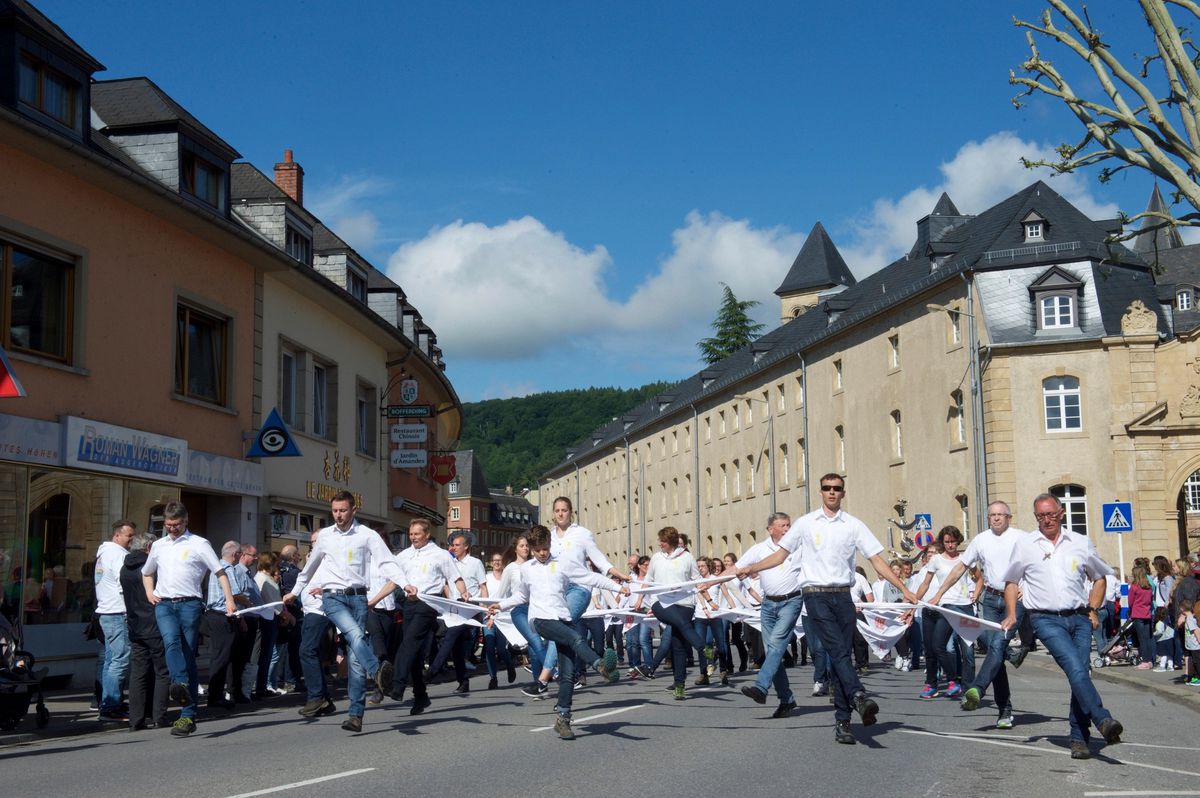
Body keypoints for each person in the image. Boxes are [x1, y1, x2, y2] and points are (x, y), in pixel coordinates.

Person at [736, 473, 916, 745]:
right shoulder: (805, 524)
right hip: (815, 595)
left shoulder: (853, 525)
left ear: (843, 492)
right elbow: (780, 555)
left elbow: (877, 560)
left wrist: (904, 590)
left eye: (837, 489)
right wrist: (751, 568)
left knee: (841, 655)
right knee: (837, 650)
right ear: (821, 492)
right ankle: (858, 694)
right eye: (827, 488)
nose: (832, 492)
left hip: (843, 596)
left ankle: (843, 722)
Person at [1000, 493, 1124, 760]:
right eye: (1041, 516)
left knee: (1081, 675)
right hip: (1044, 619)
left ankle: (1079, 738)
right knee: (1075, 668)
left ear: (1061, 514)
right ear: (1036, 517)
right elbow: (1011, 582)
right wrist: (1011, 614)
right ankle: (1102, 719)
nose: (1047, 520)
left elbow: (1099, 577)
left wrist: (1092, 608)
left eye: (1051, 514)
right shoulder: (1025, 545)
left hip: (1079, 617)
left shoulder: (1080, 542)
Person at [283, 491, 407, 733]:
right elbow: (309, 568)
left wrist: (404, 581)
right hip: (332, 598)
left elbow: (386, 562)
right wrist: (295, 591)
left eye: (342, 510)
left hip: (359, 598)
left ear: (353, 510)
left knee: (355, 657)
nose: (338, 515)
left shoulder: (367, 535)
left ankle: (355, 715)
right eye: (335, 511)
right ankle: (378, 671)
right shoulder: (326, 536)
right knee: (356, 636)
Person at [490, 525, 627, 740]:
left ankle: (563, 718)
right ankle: (599, 665)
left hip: (562, 617)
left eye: (545, 548)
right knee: (576, 638)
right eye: (537, 550)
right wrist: (501, 605)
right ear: (532, 550)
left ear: (550, 545)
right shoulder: (527, 569)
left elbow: (590, 578)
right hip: (541, 620)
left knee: (567, 673)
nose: (542, 553)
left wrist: (618, 587)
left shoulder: (563, 563)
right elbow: (521, 597)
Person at [141, 501, 238, 738]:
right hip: (164, 604)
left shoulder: (199, 544)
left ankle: (187, 715)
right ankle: (181, 684)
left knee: (187, 654)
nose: (171, 528)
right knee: (171, 642)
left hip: (190, 604)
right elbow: (146, 572)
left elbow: (220, 572)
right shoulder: (159, 545)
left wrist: (229, 600)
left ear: (185, 522)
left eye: (176, 524)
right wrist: (149, 593)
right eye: (167, 524)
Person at [929, 501, 1026, 727]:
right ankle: (1004, 711)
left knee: (997, 647)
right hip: (991, 599)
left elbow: (1037, 566)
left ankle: (977, 688)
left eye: (1001, 514)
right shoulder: (981, 540)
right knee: (997, 653)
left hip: (1015, 599)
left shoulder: (1021, 538)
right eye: (992, 515)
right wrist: (939, 593)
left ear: (1009, 517)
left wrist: (1027, 587)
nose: (996, 518)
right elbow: (960, 568)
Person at [385, 518, 468, 715]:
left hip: (429, 603)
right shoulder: (404, 555)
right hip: (409, 604)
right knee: (412, 650)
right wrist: (373, 601)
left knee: (409, 642)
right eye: (411, 533)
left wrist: (463, 593)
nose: (413, 537)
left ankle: (396, 685)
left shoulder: (440, 555)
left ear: (427, 534)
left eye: (417, 533)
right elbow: (393, 582)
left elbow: (455, 577)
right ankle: (421, 695)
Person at [736, 512, 803, 717]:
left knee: (775, 646)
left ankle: (761, 686)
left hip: (791, 601)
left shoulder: (799, 547)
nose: (786, 529)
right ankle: (787, 699)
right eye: (782, 525)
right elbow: (736, 569)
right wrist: (710, 582)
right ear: (770, 529)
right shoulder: (759, 549)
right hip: (768, 605)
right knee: (774, 651)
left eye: (788, 525)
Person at [641, 527, 711, 700]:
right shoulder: (657, 558)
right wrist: (638, 599)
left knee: (678, 644)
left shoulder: (687, 557)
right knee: (683, 625)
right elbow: (648, 580)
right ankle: (704, 649)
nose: (659, 544)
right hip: (661, 602)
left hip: (684, 603)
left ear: (670, 543)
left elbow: (696, 580)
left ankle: (679, 685)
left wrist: (705, 593)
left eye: (662, 542)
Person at [915, 526, 975, 698]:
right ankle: (951, 681)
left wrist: (975, 594)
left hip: (964, 607)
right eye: (947, 542)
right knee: (938, 645)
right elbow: (925, 584)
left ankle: (968, 688)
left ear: (958, 541)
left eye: (953, 542)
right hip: (945, 607)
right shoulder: (936, 560)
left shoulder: (965, 559)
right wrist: (913, 602)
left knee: (968, 652)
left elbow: (978, 578)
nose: (950, 545)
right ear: (943, 542)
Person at [428, 531, 487, 693]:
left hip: (469, 607)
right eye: (452, 545)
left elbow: (483, 587)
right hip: (453, 606)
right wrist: (448, 599)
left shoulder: (475, 563)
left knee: (451, 635)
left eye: (456, 545)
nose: (453, 548)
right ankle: (463, 681)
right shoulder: (450, 562)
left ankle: (433, 670)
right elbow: (445, 583)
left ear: (466, 546)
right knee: (457, 647)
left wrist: (485, 609)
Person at [120, 531, 169, 730]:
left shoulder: (125, 567)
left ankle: (136, 718)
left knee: (138, 673)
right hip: (155, 623)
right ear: (149, 547)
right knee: (162, 671)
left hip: (135, 625)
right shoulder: (150, 567)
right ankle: (159, 716)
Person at [95, 520, 135, 722]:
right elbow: (125, 583)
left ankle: (109, 702)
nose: (131, 539)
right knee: (118, 661)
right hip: (117, 612)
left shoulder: (104, 553)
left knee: (111, 661)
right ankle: (111, 706)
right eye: (129, 535)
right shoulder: (118, 554)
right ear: (117, 535)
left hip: (107, 612)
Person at [202, 541, 250, 709]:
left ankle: (219, 694)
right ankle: (215, 696)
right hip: (223, 616)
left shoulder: (215, 568)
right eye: (239, 554)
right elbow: (236, 595)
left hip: (216, 616)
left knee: (222, 656)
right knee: (221, 657)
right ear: (235, 554)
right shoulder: (227, 569)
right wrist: (250, 604)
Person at [483, 550, 517, 689]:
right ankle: (493, 678)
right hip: (488, 616)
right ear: (491, 563)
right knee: (489, 646)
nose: (497, 562)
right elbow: (483, 598)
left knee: (502, 649)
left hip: (503, 617)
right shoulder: (486, 578)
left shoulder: (507, 578)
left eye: (499, 560)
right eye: (494, 560)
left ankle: (510, 666)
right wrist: (487, 614)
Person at [277, 543, 304, 692]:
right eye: (298, 554)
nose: (299, 557)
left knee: (283, 649)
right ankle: (292, 680)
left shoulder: (279, 570)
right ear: (293, 556)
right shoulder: (295, 573)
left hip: (283, 613)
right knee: (294, 650)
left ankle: (282, 679)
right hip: (294, 615)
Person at [1128, 565, 1154, 669]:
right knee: (1147, 638)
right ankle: (1150, 660)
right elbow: (1150, 600)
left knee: (1142, 639)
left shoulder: (1134, 587)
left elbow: (1130, 602)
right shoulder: (1149, 587)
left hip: (1137, 614)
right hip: (1147, 614)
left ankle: (1145, 661)